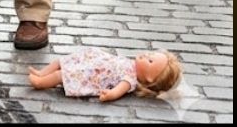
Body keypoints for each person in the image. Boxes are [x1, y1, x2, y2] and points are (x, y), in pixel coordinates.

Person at [28, 48, 182, 101]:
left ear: (149, 79)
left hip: (91, 75)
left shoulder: (130, 79)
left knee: (61, 75)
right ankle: (42, 73)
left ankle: (40, 83)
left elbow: (119, 90)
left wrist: (110, 94)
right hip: (92, 62)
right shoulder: (130, 65)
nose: (145, 55)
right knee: (61, 61)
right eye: (150, 55)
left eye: (149, 61)